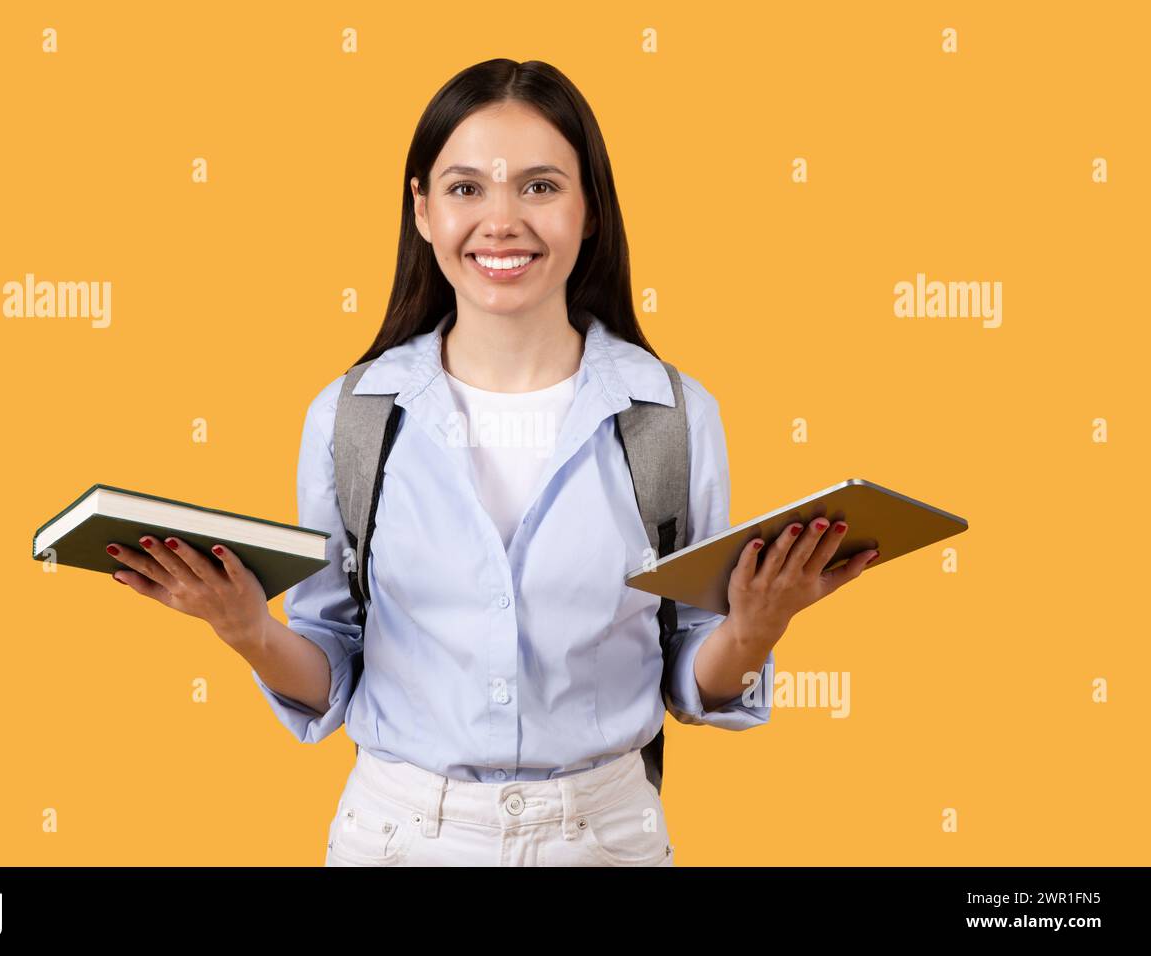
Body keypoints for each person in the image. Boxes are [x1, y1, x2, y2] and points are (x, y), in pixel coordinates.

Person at [105, 58, 879, 866]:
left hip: (606, 839)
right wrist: (246, 630)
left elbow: (697, 676)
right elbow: (328, 664)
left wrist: (756, 629)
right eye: (466, 189)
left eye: (540, 187)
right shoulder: (352, 416)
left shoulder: (673, 416)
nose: (501, 220)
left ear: (589, 212)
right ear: (423, 211)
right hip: (397, 840)